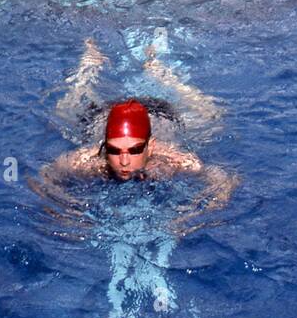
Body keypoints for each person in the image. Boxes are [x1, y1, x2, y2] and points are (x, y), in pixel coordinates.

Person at [33, 39, 238, 231]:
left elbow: (225, 181)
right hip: (101, 117)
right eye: (114, 151)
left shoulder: (176, 160)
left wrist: (190, 216)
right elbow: (44, 178)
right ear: (104, 146)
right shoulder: (86, 161)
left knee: (213, 117)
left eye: (134, 150)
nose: (124, 161)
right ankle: (89, 66)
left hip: (161, 114)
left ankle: (158, 70)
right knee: (65, 109)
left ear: (151, 146)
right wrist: (69, 212)